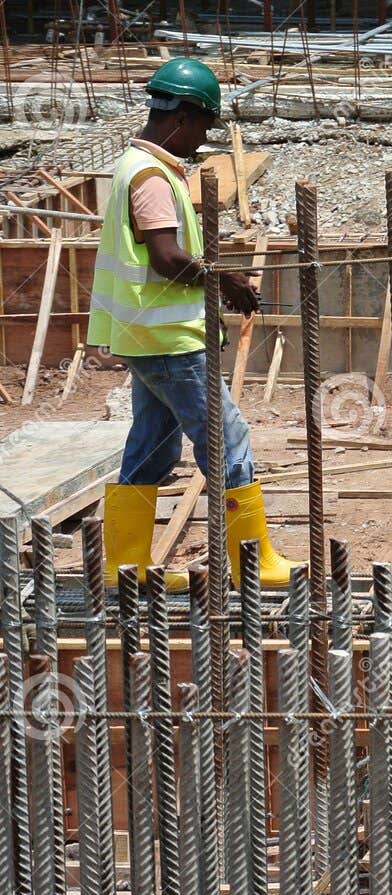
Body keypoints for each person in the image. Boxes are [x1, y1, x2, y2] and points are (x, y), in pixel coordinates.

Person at [90, 59, 295, 589]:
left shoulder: (137, 164)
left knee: (153, 447)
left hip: (146, 336)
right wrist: (222, 282)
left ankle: (124, 569)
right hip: (169, 341)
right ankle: (254, 566)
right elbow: (165, 256)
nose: (205, 138)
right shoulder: (152, 176)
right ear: (181, 116)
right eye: (204, 125)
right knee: (229, 441)